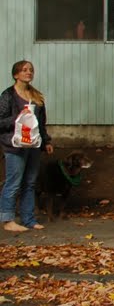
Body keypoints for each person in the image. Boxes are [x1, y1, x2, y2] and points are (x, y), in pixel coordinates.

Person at [0, 60, 55, 232]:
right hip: (14, 146)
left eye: (31, 70)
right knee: (13, 182)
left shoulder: (37, 97)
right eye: (24, 70)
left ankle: (28, 219)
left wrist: (46, 141)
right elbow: (1, 121)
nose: (28, 72)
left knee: (30, 183)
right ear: (16, 74)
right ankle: (7, 219)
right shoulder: (8, 95)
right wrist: (18, 116)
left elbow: (41, 123)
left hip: (33, 145)